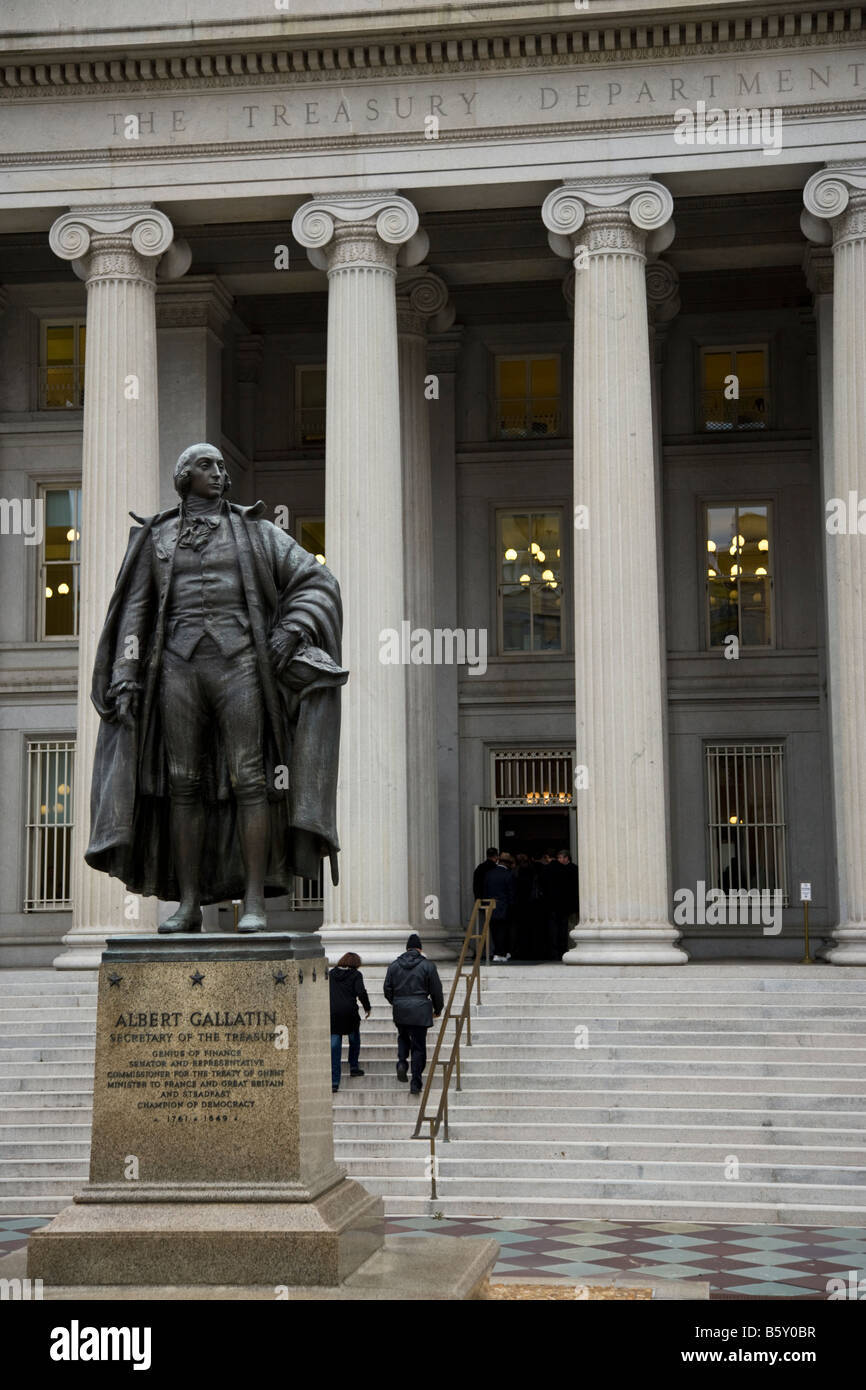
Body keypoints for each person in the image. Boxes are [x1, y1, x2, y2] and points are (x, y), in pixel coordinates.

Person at [85, 442, 347, 933]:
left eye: (223, 466)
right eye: (207, 465)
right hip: (177, 671)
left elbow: (317, 579)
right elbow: (134, 614)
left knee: (250, 779)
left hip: (242, 667)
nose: (220, 472)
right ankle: (187, 905)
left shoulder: (257, 532)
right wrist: (125, 670)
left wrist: (291, 630)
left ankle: (252, 901)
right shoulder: (155, 538)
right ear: (184, 476)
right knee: (184, 784)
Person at [383, 933, 444, 1095]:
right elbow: (436, 990)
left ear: (407, 948)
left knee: (403, 1037)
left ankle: (402, 1062)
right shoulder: (428, 966)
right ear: (420, 948)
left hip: (401, 1008)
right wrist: (438, 1009)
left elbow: (387, 989)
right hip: (420, 1009)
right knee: (418, 1046)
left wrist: (396, 1002)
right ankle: (415, 1082)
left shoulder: (394, 965)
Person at [329, 951, 371, 1093]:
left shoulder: (331, 974)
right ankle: (353, 1067)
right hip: (350, 1013)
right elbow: (361, 992)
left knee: (334, 1047)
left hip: (333, 1013)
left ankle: (334, 1082)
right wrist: (367, 1008)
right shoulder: (356, 975)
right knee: (354, 1039)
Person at [482, 854, 515, 961]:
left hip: (490, 906)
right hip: (504, 907)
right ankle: (500, 953)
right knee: (503, 931)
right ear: (508, 863)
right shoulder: (508, 875)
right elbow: (511, 893)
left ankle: (498, 952)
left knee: (494, 930)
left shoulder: (488, 874)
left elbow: (485, 891)